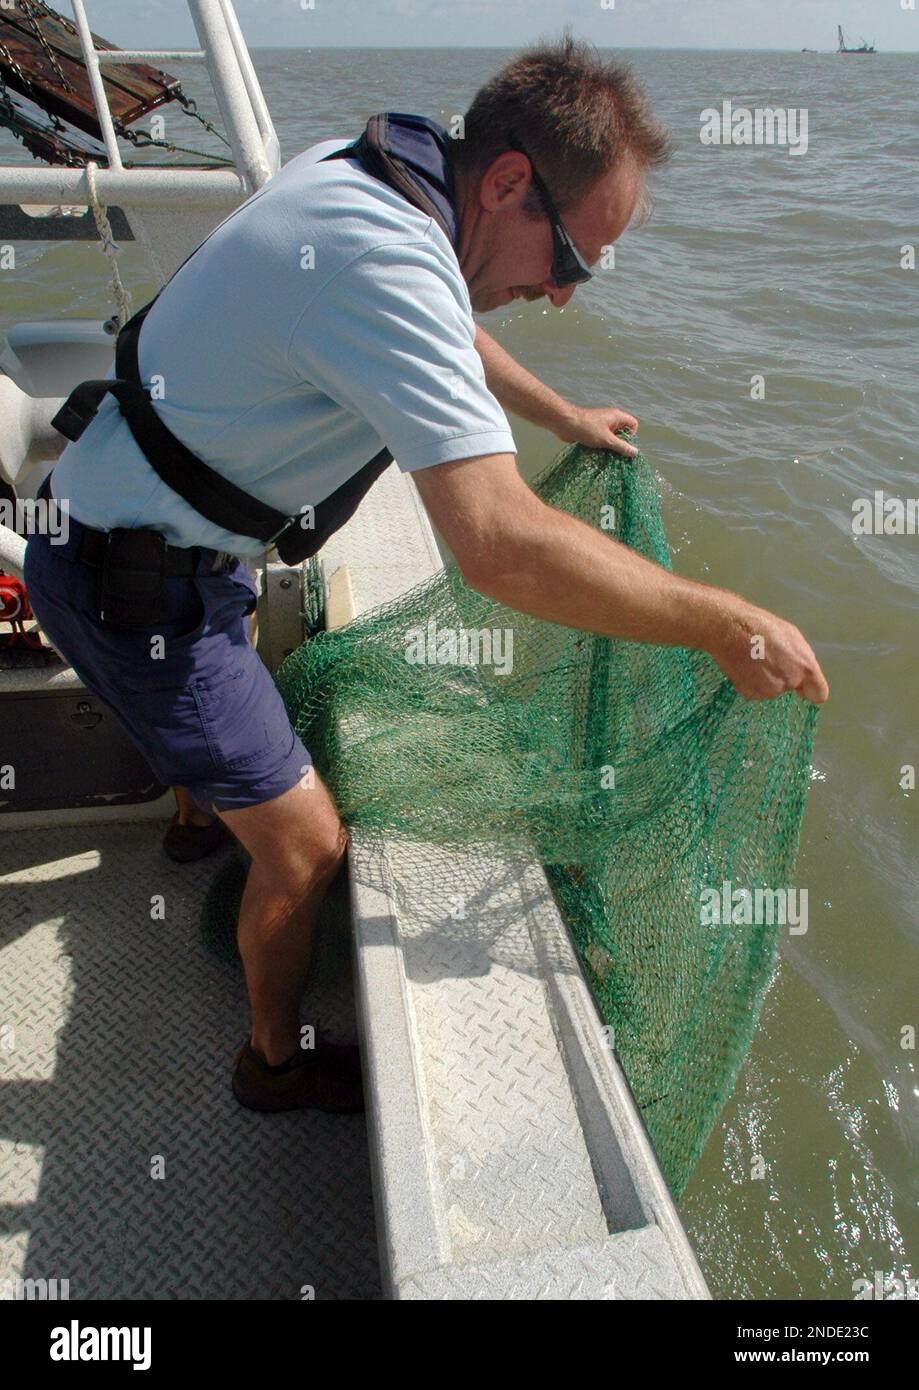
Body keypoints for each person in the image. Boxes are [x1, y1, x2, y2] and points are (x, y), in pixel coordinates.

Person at [23, 35, 829, 1117]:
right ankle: (272, 1064)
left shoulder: (376, 178)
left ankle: (194, 816)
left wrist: (562, 415)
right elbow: (499, 546)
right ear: (506, 182)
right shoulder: (384, 259)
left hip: (135, 526)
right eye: (572, 262)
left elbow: (447, 323)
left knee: (233, 751)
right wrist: (726, 625)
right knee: (308, 845)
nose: (563, 296)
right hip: (133, 588)